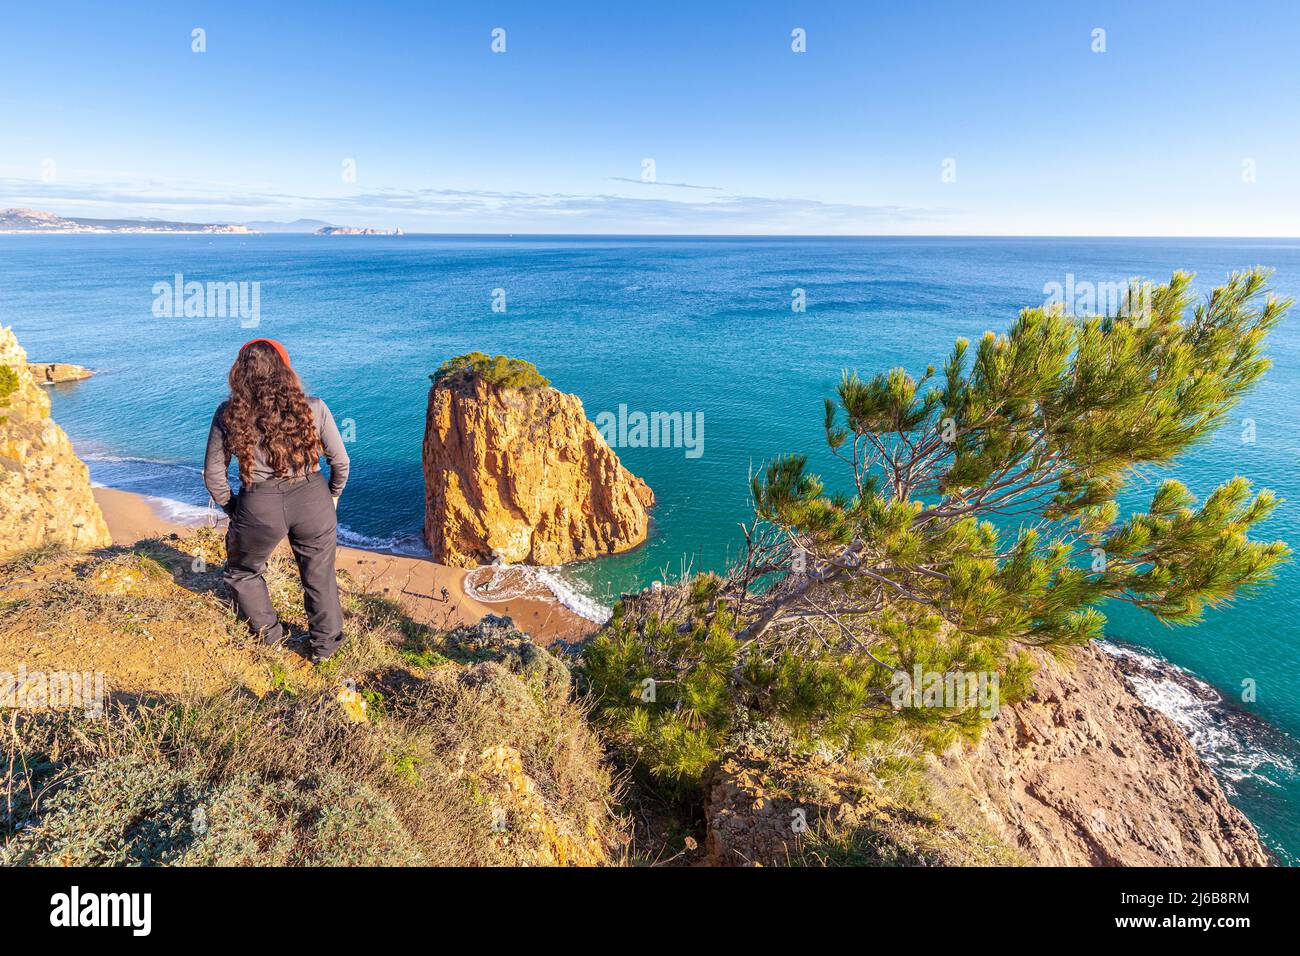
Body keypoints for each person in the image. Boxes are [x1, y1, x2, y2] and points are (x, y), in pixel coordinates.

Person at [202, 339, 350, 662]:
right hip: (312, 497)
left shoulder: (228, 415)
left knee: (242, 571)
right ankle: (325, 649)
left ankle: (269, 637)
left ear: (239, 373)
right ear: (286, 369)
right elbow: (340, 463)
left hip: (259, 504)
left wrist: (236, 509)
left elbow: (213, 475)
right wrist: (333, 495)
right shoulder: (314, 406)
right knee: (319, 574)